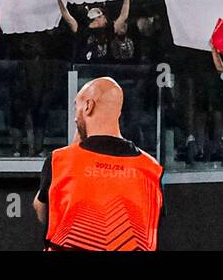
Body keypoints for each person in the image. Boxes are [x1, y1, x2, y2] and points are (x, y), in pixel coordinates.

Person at [33, 77, 163, 251]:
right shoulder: (150, 168)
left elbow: (43, 213)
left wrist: (75, 148)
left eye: (76, 106)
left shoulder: (60, 161)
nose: (74, 117)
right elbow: (154, 223)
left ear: (88, 106)